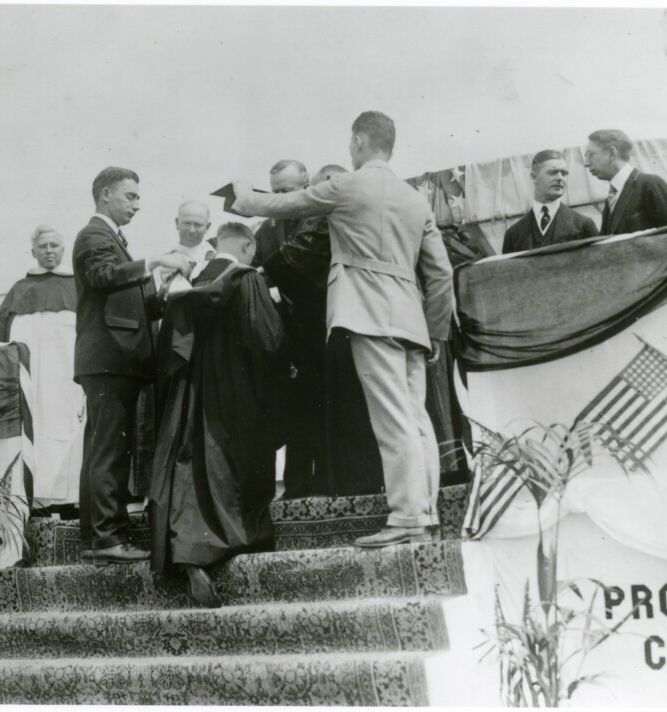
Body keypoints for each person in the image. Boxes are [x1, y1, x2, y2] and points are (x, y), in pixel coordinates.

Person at [232, 110, 454, 548]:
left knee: (392, 421)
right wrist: (437, 332)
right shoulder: (415, 198)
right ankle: (424, 513)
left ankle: (407, 517)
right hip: (412, 320)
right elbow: (442, 274)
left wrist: (241, 195)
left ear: (357, 142)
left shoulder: (348, 185)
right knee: (416, 419)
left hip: (366, 313)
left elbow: (278, 205)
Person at [150, 222, 290, 607]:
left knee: (190, 468)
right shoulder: (245, 279)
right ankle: (239, 543)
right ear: (247, 246)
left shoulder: (191, 280)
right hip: (234, 393)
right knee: (232, 469)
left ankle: (189, 556)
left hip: (191, 394)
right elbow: (265, 340)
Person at [73, 166, 192, 565]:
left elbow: (131, 301)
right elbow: (103, 276)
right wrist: (152, 262)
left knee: (102, 450)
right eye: (130, 197)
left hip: (113, 360)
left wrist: (164, 290)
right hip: (110, 360)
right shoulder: (94, 234)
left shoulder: (111, 239)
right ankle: (106, 539)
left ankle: (98, 536)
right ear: (105, 195)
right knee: (109, 452)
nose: (137, 205)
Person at [258, 164, 384, 496]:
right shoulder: (266, 230)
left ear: (306, 186)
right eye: (276, 192)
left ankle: (338, 482)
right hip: (291, 334)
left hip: (331, 325)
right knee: (301, 411)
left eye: (288, 191)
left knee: (337, 407)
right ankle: (298, 486)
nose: (282, 198)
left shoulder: (326, 217)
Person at [0, 225, 84, 515]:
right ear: (33, 251)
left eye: (54, 245)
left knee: (70, 432)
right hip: (33, 383)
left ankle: (72, 503)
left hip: (68, 382)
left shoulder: (77, 286)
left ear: (63, 249)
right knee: (35, 432)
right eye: (43, 246)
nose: (49, 251)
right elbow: (1, 341)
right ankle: (36, 505)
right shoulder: (19, 290)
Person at [583, 129, 667, 235]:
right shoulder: (612, 196)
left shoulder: (650, 184)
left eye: (591, 155)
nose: (586, 163)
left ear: (612, 153)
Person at [502, 150, 599, 254]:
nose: (560, 178)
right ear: (534, 177)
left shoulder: (583, 225)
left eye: (564, 173)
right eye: (553, 172)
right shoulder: (513, 234)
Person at [153, 201, 216, 286]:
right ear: (177, 223)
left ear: (207, 227)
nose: (191, 230)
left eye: (198, 225)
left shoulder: (217, 259)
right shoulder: (163, 263)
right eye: (186, 223)